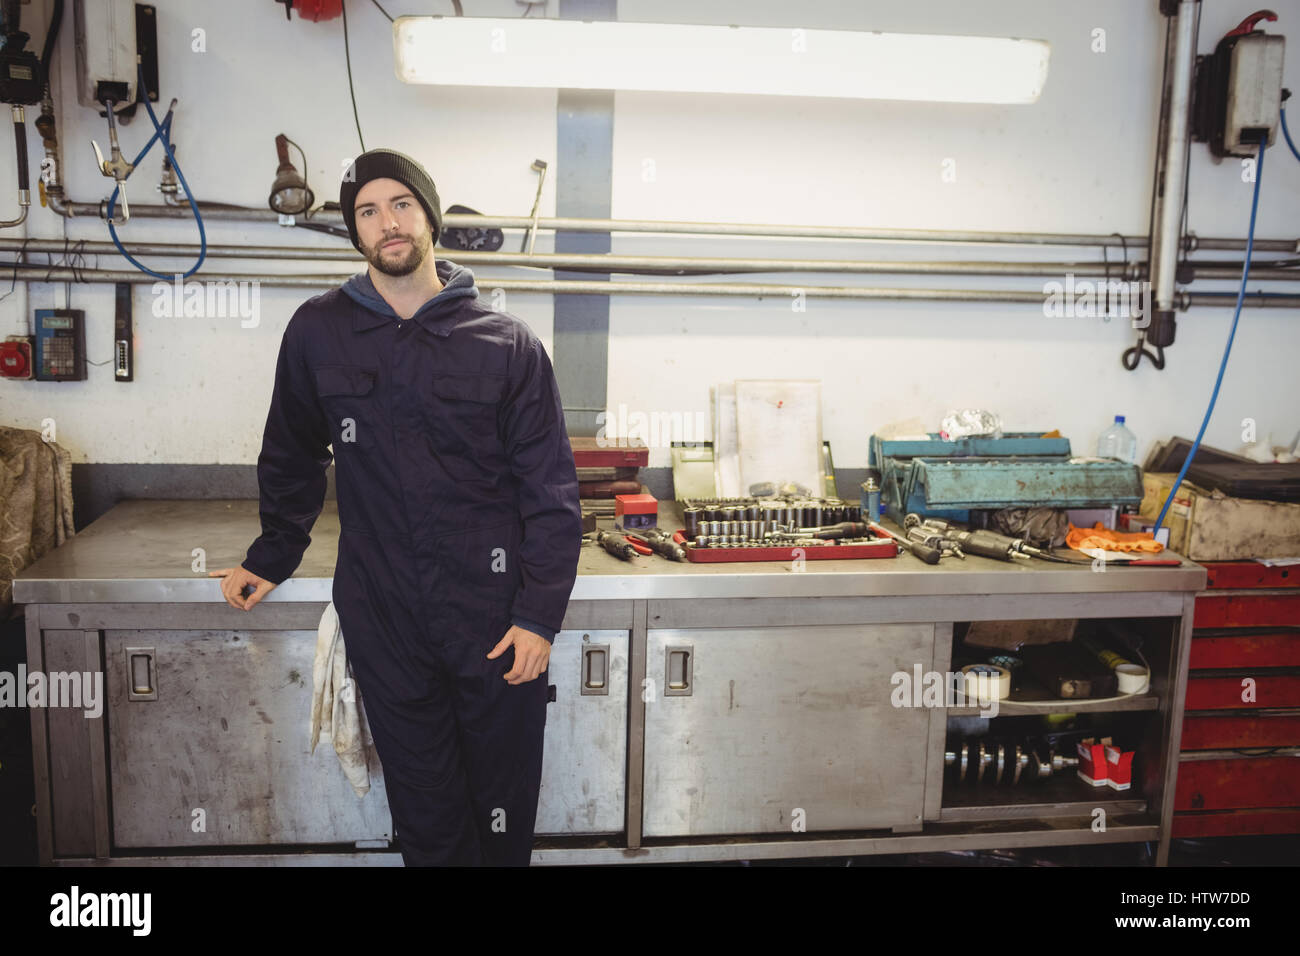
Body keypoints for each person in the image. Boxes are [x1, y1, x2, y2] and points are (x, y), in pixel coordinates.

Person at [211, 148, 582, 866]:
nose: (388, 222)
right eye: (368, 211)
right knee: (427, 816)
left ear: (429, 216)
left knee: (501, 814)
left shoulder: (507, 344)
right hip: (386, 622)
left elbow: (550, 492)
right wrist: (273, 555)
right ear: (356, 232)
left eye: (402, 203)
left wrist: (538, 616)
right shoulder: (319, 332)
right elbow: (291, 452)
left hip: (493, 621)